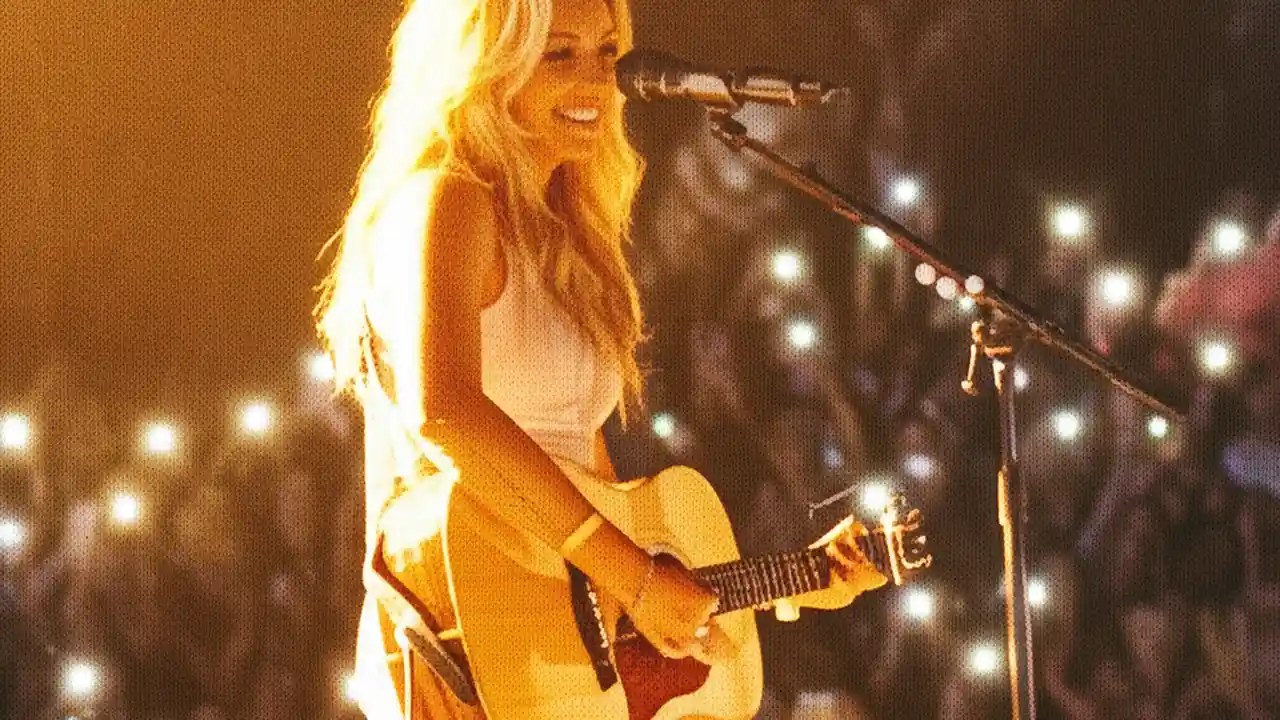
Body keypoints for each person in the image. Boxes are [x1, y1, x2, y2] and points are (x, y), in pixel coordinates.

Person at [314, 0, 887, 717]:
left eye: (607, 52)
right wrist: (636, 581)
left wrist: (791, 579)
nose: (596, 80)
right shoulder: (448, 201)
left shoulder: (572, 233)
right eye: (559, 54)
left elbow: (602, 493)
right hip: (467, 625)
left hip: (557, 633)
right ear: (485, 68)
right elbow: (446, 412)